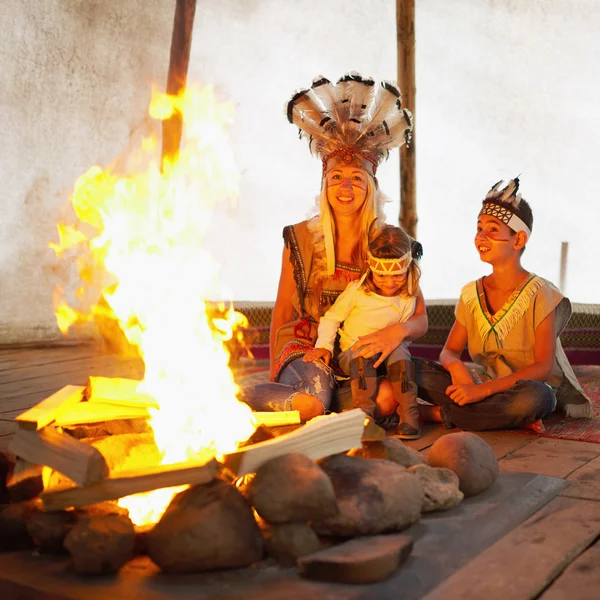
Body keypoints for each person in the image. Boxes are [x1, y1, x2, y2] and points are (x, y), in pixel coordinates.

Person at [240, 73, 428, 422]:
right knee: (315, 396)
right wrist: (274, 370)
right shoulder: (300, 238)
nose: (346, 187)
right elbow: (282, 312)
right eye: (336, 178)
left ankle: (316, 409)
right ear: (324, 185)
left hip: (361, 356)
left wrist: (397, 330)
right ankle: (240, 398)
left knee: (386, 399)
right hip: (308, 351)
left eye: (356, 179)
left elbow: (420, 317)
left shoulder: (389, 241)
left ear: (371, 186)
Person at [414, 177, 591, 431]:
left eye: (493, 230)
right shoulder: (470, 293)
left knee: (536, 398)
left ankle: (443, 414)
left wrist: (481, 391)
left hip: (522, 388)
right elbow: (449, 351)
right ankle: (503, 416)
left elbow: (542, 368)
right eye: (479, 228)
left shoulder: (541, 293)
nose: (481, 236)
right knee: (414, 369)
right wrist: (457, 369)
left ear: (518, 240)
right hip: (482, 382)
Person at [303, 224, 423, 439]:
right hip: (355, 352)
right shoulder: (357, 291)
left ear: (408, 269)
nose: (390, 283)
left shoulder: (408, 297)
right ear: (371, 268)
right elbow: (332, 318)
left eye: (398, 276)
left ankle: (409, 415)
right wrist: (324, 345)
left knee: (402, 356)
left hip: (388, 351)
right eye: (382, 276)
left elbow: (404, 332)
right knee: (363, 354)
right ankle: (363, 415)